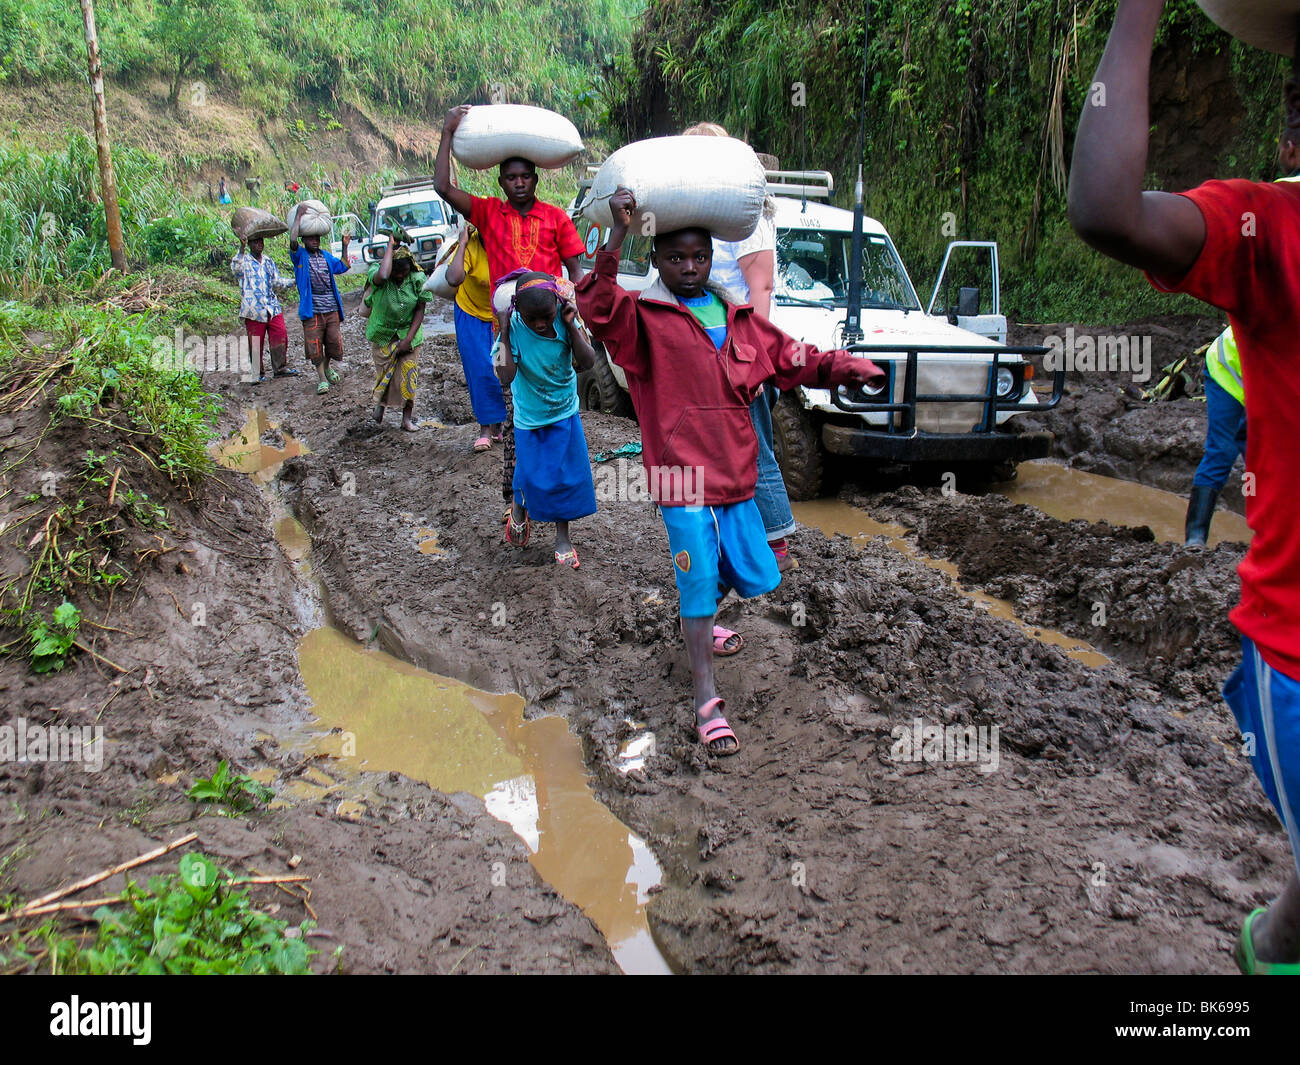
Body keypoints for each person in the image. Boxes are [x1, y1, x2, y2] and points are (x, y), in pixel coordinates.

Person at [1068, 0, 1300, 973]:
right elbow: (1108, 212)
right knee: (1209, 462)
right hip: (1295, 649)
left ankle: (1273, 936)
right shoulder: (1270, 233)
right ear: (1292, 131)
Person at [577, 188, 884, 755]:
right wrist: (616, 235)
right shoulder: (641, 319)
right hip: (678, 476)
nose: (688, 267)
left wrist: (846, 369)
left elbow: (795, 359)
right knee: (696, 582)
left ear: (711, 255)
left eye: (698, 256)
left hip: (735, 472)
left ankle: (701, 615)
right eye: (675, 258)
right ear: (658, 260)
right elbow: (595, 306)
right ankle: (705, 701)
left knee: (755, 573)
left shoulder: (740, 318)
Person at [435, 104, 587, 502]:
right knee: (519, 415)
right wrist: (447, 132)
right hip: (509, 330)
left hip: (552, 329)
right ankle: (518, 499)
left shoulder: (556, 218)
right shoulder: (487, 212)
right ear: (501, 181)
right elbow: (443, 188)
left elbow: (577, 271)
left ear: (536, 179)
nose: (519, 183)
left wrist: (585, 311)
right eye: (511, 177)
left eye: (525, 177)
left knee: (557, 414)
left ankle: (548, 498)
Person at [682, 122, 796, 572]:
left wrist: (750, 360)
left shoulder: (745, 217)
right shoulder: (710, 215)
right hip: (710, 346)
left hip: (739, 348)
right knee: (727, 446)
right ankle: (745, 536)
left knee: (752, 446)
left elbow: (760, 289)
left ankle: (777, 538)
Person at [444, 224, 506, 450]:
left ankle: (502, 425)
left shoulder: (508, 244)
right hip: (470, 313)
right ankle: (486, 429)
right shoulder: (472, 245)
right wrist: (462, 242)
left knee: (503, 366)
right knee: (480, 370)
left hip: (500, 314)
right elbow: (453, 277)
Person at [1185, 325, 1245, 546]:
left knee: (1259, 462)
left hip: (1261, 377)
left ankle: (1263, 533)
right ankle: (1195, 539)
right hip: (1226, 368)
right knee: (1222, 450)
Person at [365, 234, 431, 431]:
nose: (400, 276)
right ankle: (381, 406)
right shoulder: (379, 273)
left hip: (408, 334)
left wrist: (408, 338)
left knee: (409, 375)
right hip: (383, 333)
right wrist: (390, 246)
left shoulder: (418, 278)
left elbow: (420, 309)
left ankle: (406, 419)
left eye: (404, 271)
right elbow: (383, 275)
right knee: (385, 373)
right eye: (396, 272)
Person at [288, 203, 350, 395]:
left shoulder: (326, 256)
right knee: (315, 346)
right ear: (304, 239)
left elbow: (344, 265)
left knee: (333, 342)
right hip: (312, 310)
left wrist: (345, 246)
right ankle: (322, 378)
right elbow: (292, 242)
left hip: (331, 308)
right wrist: (298, 217)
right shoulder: (300, 257)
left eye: (316, 238)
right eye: (310, 238)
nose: (314, 241)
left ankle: (328, 366)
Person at [231, 234, 296, 382]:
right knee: (255, 342)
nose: (259, 244)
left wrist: (294, 281)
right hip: (253, 309)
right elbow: (236, 271)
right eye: (255, 242)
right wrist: (241, 247)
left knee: (280, 335)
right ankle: (257, 373)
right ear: (249, 244)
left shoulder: (268, 261)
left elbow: (276, 282)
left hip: (271, 306)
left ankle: (280, 368)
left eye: (260, 241)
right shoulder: (244, 261)